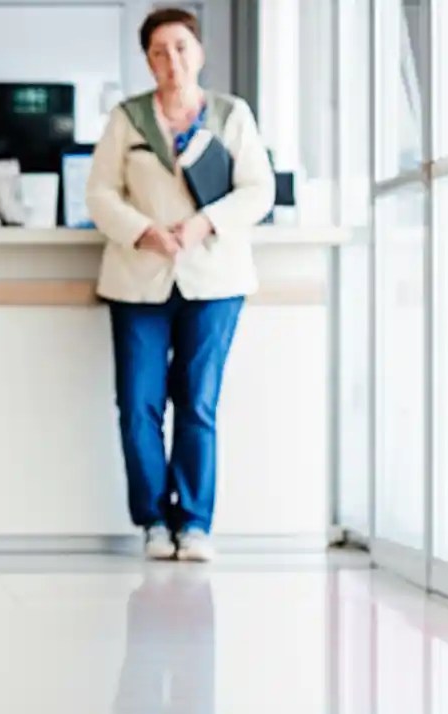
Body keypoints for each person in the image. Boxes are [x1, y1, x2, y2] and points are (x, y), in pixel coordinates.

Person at [85, 7, 274, 562]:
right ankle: (152, 522)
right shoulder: (127, 119)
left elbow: (257, 190)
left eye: (182, 48)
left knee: (198, 403)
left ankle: (193, 523)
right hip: (137, 279)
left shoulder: (229, 114)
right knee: (139, 404)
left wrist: (202, 224)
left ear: (200, 52)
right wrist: (143, 231)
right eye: (160, 51)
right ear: (147, 60)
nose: (172, 60)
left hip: (214, 279)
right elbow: (100, 194)